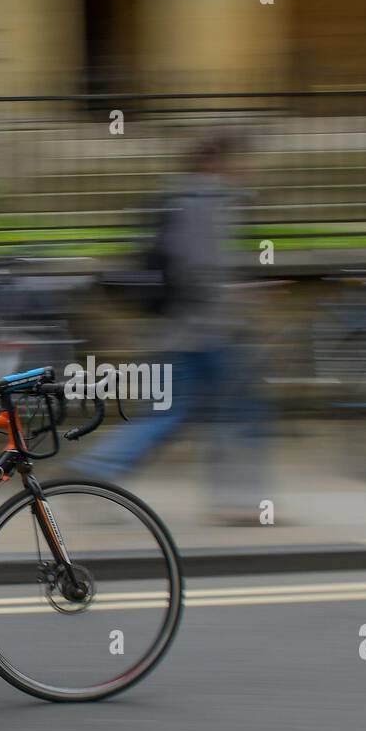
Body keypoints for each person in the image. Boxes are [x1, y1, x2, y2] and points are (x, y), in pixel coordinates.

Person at [70, 132, 273, 520]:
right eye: (243, 160)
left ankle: (96, 470)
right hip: (206, 332)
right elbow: (201, 270)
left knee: (167, 414)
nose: (250, 169)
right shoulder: (208, 201)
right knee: (240, 414)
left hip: (179, 328)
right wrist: (240, 299)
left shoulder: (180, 197)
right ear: (218, 162)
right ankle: (244, 501)